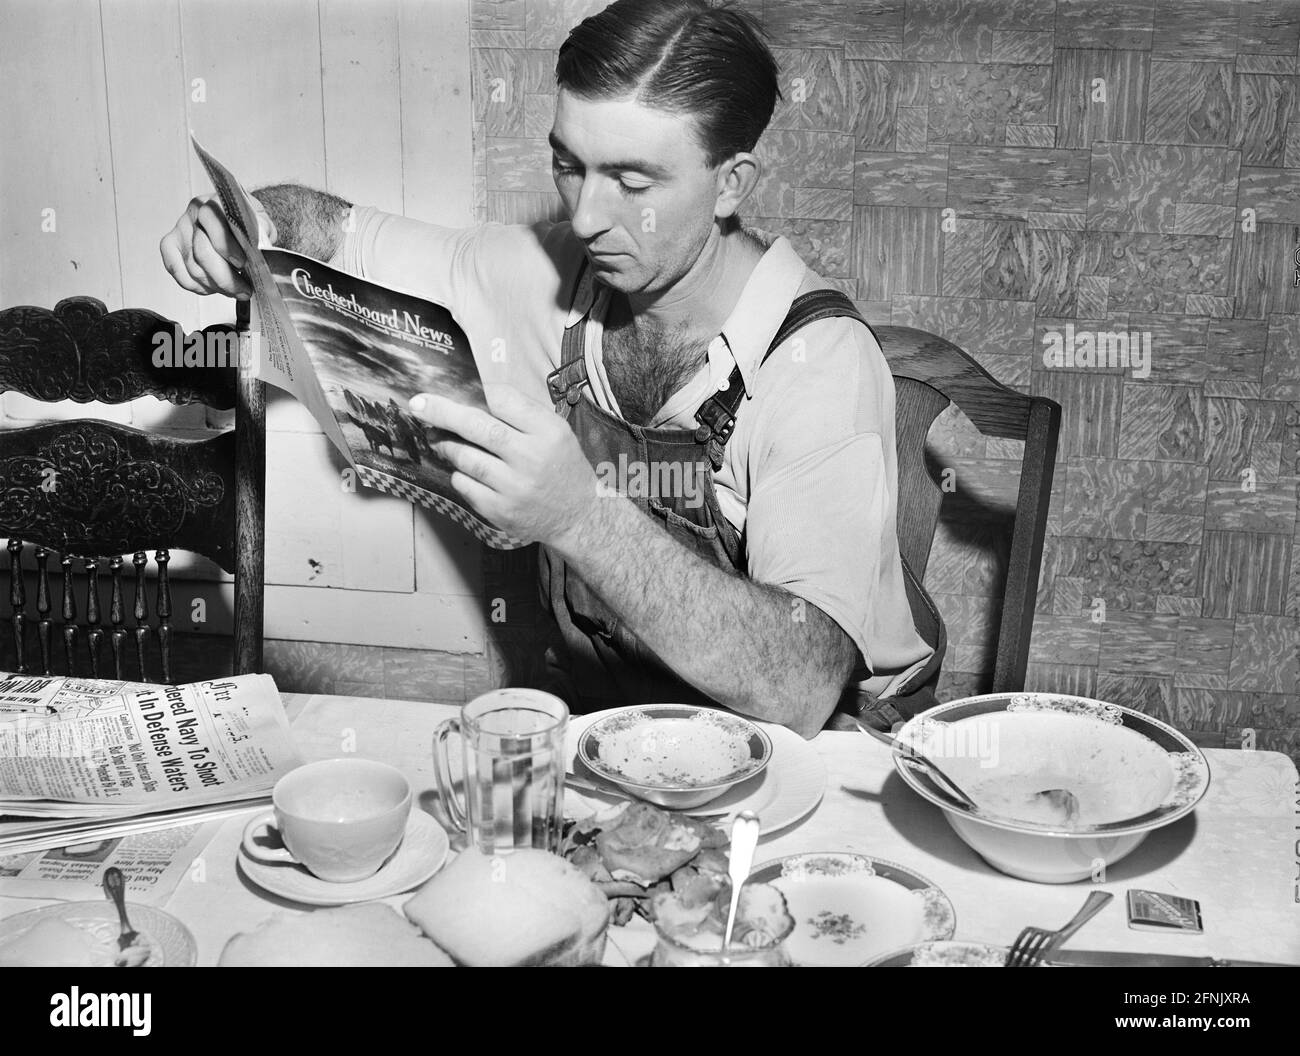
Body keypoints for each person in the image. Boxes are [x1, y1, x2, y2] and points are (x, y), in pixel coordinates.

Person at [159, 0, 942, 738]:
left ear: (730, 183)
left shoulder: (817, 362)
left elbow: (800, 686)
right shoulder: (548, 275)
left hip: (813, 765)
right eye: (570, 166)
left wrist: (579, 517)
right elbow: (335, 232)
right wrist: (250, 224)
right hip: (608, 737)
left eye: (633, 183)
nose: (587, 216)